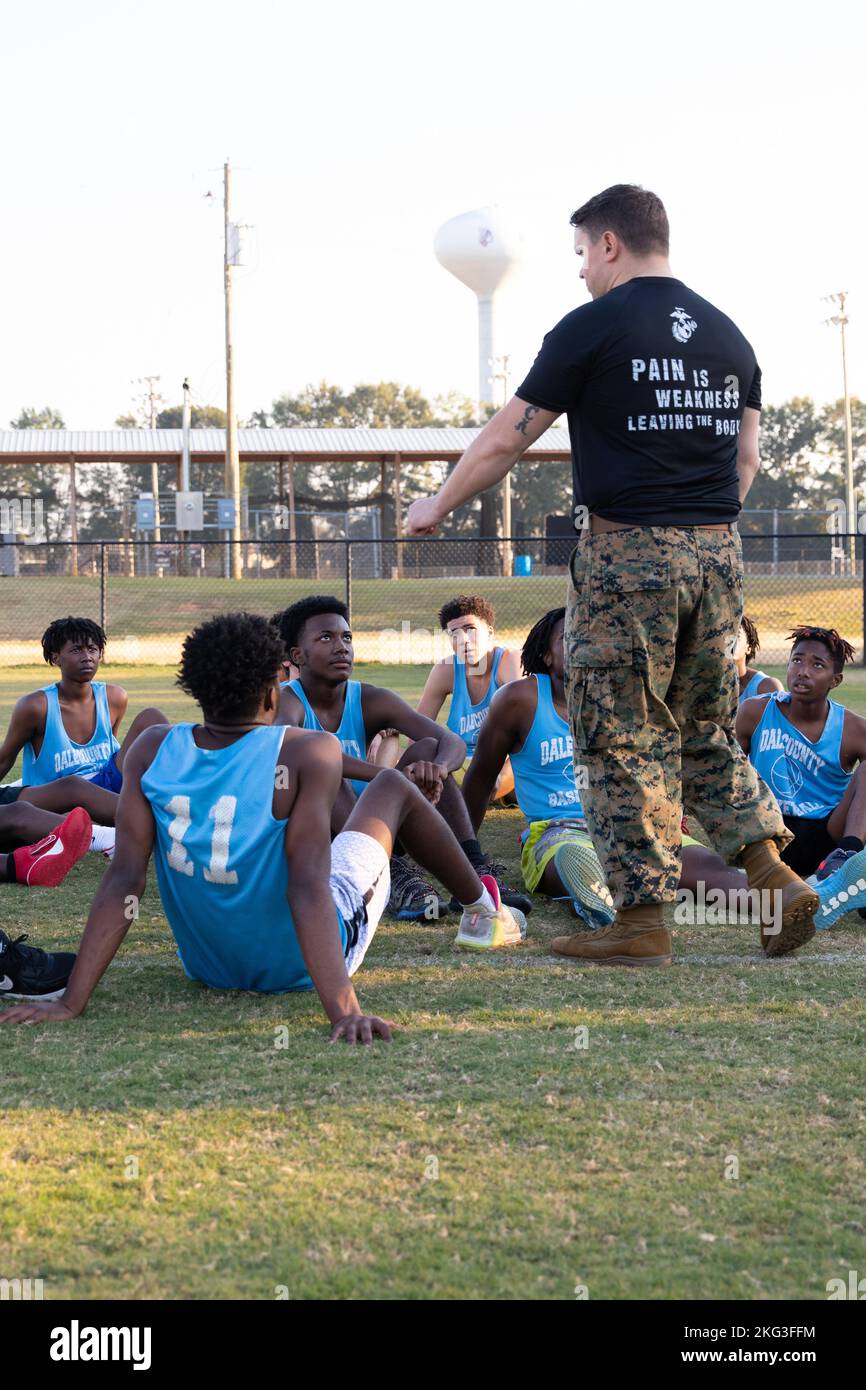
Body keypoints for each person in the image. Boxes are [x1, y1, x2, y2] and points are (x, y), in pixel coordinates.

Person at [406, 182, 815, 961]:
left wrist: (440, 503)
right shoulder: (731, 339)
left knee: (617, 738)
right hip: (718, 555)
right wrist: (696, 524)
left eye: (581, 254)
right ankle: (772, 872)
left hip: (628, 559)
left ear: (610, 245)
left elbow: (505, 438)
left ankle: (641, 924)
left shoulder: (591, 329)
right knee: (700, 730)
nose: (580, 272)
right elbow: (747, 461)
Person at [0, 614, 527, 1036]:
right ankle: (484, 909)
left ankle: (476, 902)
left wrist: (72, 1001)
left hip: (207, 966)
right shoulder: (309, 751)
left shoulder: (152, 748)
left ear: (196, 690)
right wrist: (343, 1012)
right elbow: (306, 886)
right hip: (298, 966)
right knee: (391, 788)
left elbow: (123, 880)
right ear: (275, 692)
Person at [463, 608, 770, 962]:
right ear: (546, 655)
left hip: (633, 826)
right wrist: (466, 853)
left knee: (714, 872)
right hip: (559, 832)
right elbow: (479, 780)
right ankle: (611, 920)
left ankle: (798, 903)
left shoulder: (628, 697)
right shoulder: (521, 699)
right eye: (569, 638)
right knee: (577, 857)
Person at [273, 596, 532, 918]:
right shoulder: (287, 702)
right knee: (326, 770)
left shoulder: (369, 697)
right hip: (324, 836)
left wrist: (436, 769)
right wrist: (387, 777)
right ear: (298, 655)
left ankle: (474, 868)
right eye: (326, 638)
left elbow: (447, 739)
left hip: (378, 825)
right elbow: (297, 751)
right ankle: (392, 875)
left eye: (347, 637)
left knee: (425, 750)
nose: (342, 647)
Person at [738, 626, 866, 929]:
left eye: (817, 665)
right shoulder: (755, 711)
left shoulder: (852, 728)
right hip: (770, 833)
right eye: (797, 660)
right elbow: (724, 770)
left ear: (835, 680)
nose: (803, 671)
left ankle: (847, 860)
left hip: (827, 836)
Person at [0, 617, 167, 829]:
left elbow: (110, 749)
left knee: (152, 718)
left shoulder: (114, 696)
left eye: (92, 649)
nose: (87, 657)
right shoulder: (35, 706)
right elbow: (4, 759)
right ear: (55, 658)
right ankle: (152, 817)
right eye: (76, 650)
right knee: (75, 786)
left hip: (107, 784)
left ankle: (183, 793)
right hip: (61, 796)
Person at [415, 594, 521, 801]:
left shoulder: (510, 661)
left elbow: (527, 730)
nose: (462, 640)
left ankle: (471, 797)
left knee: (523, 755)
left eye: (470, 629)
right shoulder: (446, 670)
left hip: (507, 763)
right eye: (454, 633)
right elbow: (417, 731)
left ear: (490, 632)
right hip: (459, 763)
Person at [735, 615, 783, 702]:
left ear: (748, 648)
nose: (729, 640)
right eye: (722, 635)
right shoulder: (704, 683)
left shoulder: (767, 688)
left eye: (736, 635)